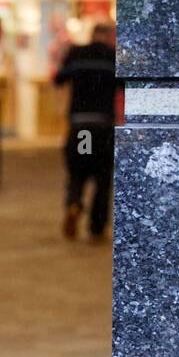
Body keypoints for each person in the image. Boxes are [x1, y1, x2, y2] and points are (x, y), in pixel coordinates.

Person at [54, 21, 121, 241]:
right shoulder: (114, 57)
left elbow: (58, 79)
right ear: (109, 36)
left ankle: (74, 204)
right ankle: (96, 226)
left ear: (92, 35)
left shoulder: (77, 53)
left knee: (78, 171)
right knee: (102, 178)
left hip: (81, 128)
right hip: (102, 127)